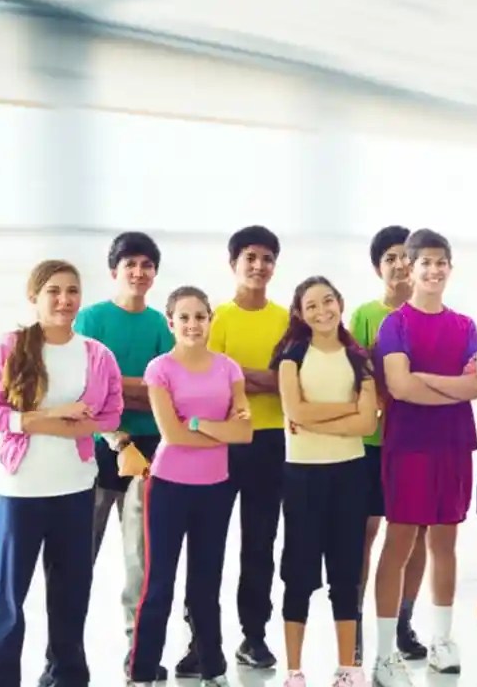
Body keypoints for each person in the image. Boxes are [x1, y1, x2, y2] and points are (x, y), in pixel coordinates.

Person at [0, 259, 123, 687]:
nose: (64, 299)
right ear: (34, 297)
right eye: (53, 291)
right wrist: (51, 418)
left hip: (75, 488)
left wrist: (71, 426)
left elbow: (110, 413)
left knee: (71, 594)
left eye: (72, 291)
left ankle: (67, 675)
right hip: (22, 490)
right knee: (9, 598)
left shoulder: (97, 355)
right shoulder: (12, 346)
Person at [41, 232, 173, 684]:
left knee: (141, 563)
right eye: (130, 264)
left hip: (150, 457)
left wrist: (120, 389)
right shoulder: (93, 319)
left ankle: (140, 655)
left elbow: (163, 393)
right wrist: (125, 395)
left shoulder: (161, 324)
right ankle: (59, 660)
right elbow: (91, 394)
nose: (139, 272)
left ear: (155, 273)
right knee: (77, 563)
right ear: (114, 270)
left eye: (147, 265)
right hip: (95, 454)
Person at [176, 225, 289, 675]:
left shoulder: (286, 319)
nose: (258, 266)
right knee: (207, 546)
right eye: (250, 258)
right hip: (219, 443)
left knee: (260, 544)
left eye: (266, 258)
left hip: (271, 442)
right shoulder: (215, 317)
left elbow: (289, 382)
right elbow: (208, 380)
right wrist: (267, 377)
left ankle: (254, 636)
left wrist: (242, 374)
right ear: (233, 264)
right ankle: (199, 641)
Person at [371, 228, 477, 685]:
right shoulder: (394, 324)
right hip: (409, 444)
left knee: (445, 542)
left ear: (449, 269)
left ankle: (441, 639)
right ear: (409, 269)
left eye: (441, 262)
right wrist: (449, 386)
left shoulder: (466, 326)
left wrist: (426, 380)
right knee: (399, 540)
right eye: (425, 263)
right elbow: (398, 386)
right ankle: (382, 655)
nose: (433, 270)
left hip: (454, 444)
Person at [128, 286, 254, 687]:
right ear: (171, 323)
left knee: (206, 583)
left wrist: (200, 424)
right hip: (168, 487)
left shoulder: (229, 368)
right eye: (184, 317)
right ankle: (143, 672)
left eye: (200, 316)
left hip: (215, 489)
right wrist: (221, 432)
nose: (193, 324)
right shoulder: (160, 370)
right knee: (159, 582)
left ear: (209, 320)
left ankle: (212, 669)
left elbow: (246, 431)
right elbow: (173, 435)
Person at [274, 277, 378, 687]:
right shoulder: (291, 356)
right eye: (312, 305)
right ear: (300, 313)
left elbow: (368, 422)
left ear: (340, 302)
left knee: (346, 571)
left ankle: (348, 669)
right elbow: (294, 411)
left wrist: (320, 416)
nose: (322, 311)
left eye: (328, 301)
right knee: (298, 572)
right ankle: (294, 671)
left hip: (350, 472)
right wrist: (348, 409)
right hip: (302, 475)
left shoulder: (359, 358)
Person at [348, 225, 429, 664]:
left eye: (406, 257)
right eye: (391, 258)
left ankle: (402, 620)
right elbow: (354, 374)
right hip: (373, 440)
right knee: (365, 530)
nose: (400, 265)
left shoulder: (433, 314)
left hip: (418, 441)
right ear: (379, 267)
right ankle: (357, 621)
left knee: (415, 533)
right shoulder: (364, 315)